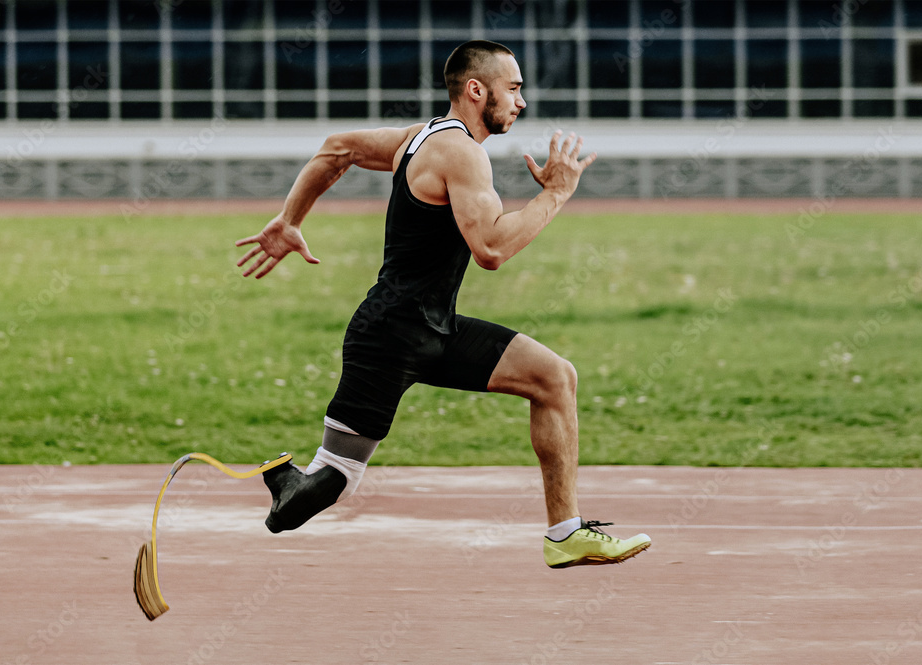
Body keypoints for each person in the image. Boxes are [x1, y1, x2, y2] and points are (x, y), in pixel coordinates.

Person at [235, 40, 650, 568]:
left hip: (433, 329)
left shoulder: (420, 138)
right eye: (514, 88)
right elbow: (492, 249)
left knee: (554, 378)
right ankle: (286, 483)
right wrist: (556, 194)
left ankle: (566, 533)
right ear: (477, 90)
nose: (521, 101)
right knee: (321, 491)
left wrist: (291, 218)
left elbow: (338, 147)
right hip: (389, 336)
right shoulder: (460, 152)